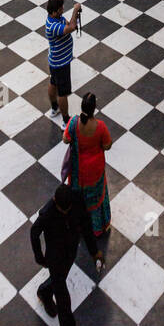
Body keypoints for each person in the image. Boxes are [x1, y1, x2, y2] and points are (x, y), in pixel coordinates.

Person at [30, 184, 103, 326]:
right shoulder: (47, 212)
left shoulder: (76, 200)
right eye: (62, 211)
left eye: (67, 210)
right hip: (55, 259)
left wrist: (94, 252)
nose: (64, 213)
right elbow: (34, 232)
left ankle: (44, 291)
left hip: (70, 252)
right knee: (65, 311)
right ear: (55, 201)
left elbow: (86, 226)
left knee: (59, 278)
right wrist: (40, 258)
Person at [63, 92, 112, 237]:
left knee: (80, 199)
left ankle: (79, 225)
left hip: (78, 170)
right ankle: (97, 228)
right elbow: (107, 145)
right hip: (95, 171)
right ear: (94, 109)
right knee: (96, 198)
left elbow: (65, 139)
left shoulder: (73, 123)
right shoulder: (100, 127)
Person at [45, 0, 82, 122]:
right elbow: (71, 27)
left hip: (55, 61)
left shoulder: (57, 18)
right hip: (61, 63)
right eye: (60, 9)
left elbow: (70, 25)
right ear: (54, 11)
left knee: (53, 83)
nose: (62, 10)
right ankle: (66, 121)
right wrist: (75, 11)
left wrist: (74, 19)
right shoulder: (52, 26)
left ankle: (55, 108)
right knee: (62, 92)